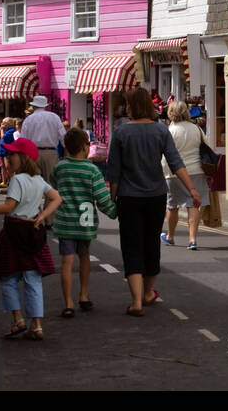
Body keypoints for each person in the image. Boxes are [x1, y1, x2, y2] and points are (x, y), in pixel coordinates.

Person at [107, 87, 199, 316]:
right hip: (156, 196)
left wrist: (112, 198)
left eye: (128, 104)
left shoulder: (120, 133)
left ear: (132, 106)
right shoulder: (161, 130)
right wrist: (192, 189)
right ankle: (148, 292)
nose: (126, 108)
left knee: (132, 246)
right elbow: (176, 162)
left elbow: (114, 171)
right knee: (150, 244)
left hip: (128, 197)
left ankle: (136, 301)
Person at [0, 135, 60, 341]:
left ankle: (18, 320)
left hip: (14, 232)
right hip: (33, 233)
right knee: (33, 279)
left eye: (11, 154)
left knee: (8, 277)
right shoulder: (38, 180)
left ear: (22, 158)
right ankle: (37, 325)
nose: (8, 158)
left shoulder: (17, 179)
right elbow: (56, 198)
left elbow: (9, 207)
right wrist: (42, 216)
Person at [53, 127, 117, 317]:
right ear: (83, 147)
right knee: (84, 256)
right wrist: (114, 212)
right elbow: (102, 198)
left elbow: (52, 186)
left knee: (66, 261)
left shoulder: (60, 168)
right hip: (85, 221)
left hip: (65, 221)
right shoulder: (92, 170)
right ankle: (83, 295)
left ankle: (68, 303)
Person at [162, 101, 209, 250]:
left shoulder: (169, 131)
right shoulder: (197, 129)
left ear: (171, 113)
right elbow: (206, 147)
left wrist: (163, 173)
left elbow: (164, 156)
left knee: (172, 206)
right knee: (193, 204)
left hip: (174, 173)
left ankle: (170, 236)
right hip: (196, 170)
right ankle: (192, 239)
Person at [19, 94, 67, 188]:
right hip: (50, 153)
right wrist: (65, 153)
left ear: (33, 106)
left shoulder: (29, 119)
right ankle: (50, 202)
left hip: (33, 154)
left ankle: (35, 202)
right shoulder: (54, 117)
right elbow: (63, 136)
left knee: (33, 184)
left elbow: (23, 140)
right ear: (45, 106)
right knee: (51, 184)